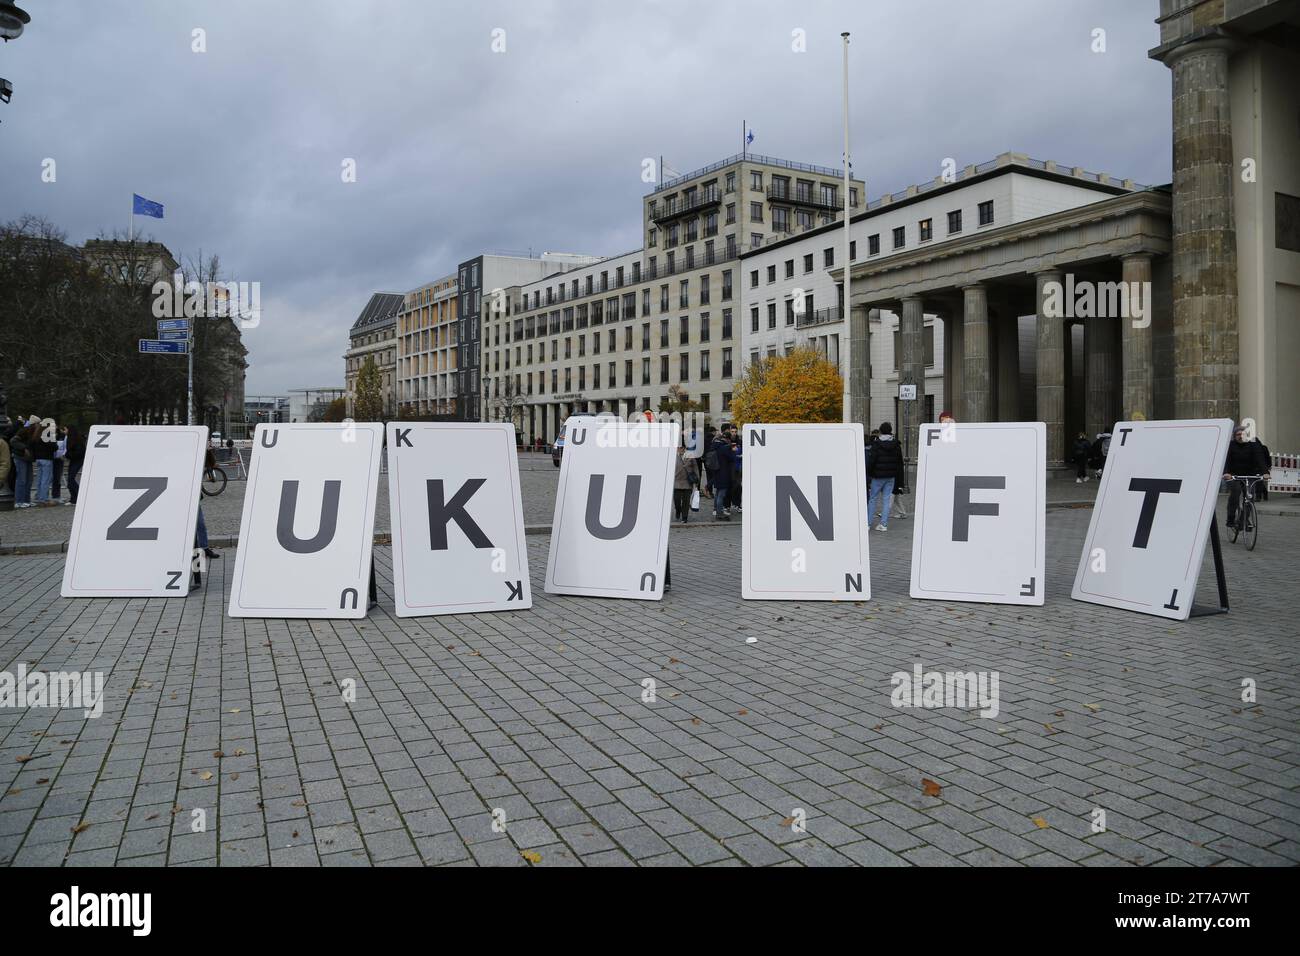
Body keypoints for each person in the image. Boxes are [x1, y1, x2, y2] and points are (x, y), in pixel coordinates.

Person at [1223, 422, 1271, 526]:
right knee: (1236, 492)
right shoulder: (1230, 445)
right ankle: (1230, 518)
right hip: (1233, 475)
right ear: (1234, 436)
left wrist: (1265, 472)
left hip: (1250, 474)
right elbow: (1225, 460)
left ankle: (1243, 520)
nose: (1241, 436)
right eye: (1238, 435)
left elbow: (1260, 458)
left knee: (1250, 497)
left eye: (1243, 434)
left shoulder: (1253, 444)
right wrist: (1226, 473)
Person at [866, 422, 904, 531]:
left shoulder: (876, 444)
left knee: (873, 499)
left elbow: (871, 461)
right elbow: (899, 462)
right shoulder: (896, 444)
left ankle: (868, 523)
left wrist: (870, 473)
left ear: (881, 431)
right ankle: (883, 524)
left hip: (877, 476)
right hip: (891, 476)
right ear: (891, 430)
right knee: (886, 500)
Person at [707, 425, 734, 520]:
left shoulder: (715, 446)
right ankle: (719, 513)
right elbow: (732, 458)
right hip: (723, 473)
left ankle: (716, 510)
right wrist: (733, 451)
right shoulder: (724, 447)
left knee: (718, 493)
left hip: (716, 472)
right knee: (721, 494)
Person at [9, 422, 34, 508]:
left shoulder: (35, 433)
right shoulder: (24, 431)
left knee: (29, 480)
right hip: (20, 457)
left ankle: (26, 500)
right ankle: (19, 501)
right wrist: (24, 448)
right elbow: (13, 441)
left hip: (27, 459)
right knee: (22, 479)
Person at [672, 446, 698, 522]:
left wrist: (697, 480)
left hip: (687, 482)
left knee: (686, 501)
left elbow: (695, 468)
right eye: (679, 447)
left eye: (683, 447)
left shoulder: (690, 457)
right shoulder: (673, 456)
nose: (681, 449)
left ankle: (684, 517)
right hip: (676, 482)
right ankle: (678, 510)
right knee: (676, 500)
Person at [64, 425, 85, 505]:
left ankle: (79, 497)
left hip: (77, 461)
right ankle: (74, 499)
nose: (64, 431)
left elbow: (79, 452)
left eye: (65, 429)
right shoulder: (72, 439)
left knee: (71, 479)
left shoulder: (76, 440)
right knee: (70, 479)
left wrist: (67, 455)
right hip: (74, 460)